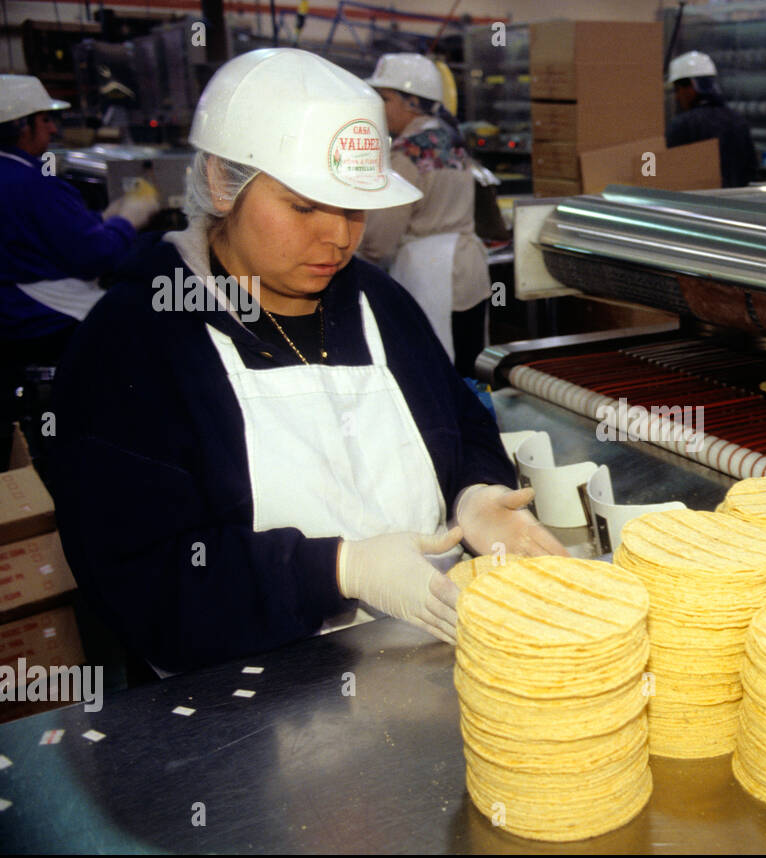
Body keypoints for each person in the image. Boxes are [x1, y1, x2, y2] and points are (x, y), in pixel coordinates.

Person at [49, 48, 564, 676]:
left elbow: (463, 424)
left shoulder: (381, 305)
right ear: (220, 182)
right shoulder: (133, 344)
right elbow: (146, 583)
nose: (339, 237)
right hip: (254, 715)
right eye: (304, 207)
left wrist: (477, 493)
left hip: (434, 662)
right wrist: (338, 569)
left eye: (353, 207)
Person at [0, 74, 159, 460]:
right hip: (39, 318)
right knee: (151, 316)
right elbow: (96, 256)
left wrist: (100, 220)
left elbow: (58, 238)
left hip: (11, 317)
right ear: (23, 125)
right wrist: (129, 219)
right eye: (45, 119)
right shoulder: (32, 183)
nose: (53, 128)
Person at [358, 53, 491, 377]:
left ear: (412, 102)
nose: (379, 106)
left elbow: (381, 235)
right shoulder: (454, 141)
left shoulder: (407, 153)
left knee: (434, 371)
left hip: (429, 274)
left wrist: (361, 254)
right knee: (470, 368)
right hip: (470, 272)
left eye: (385, 98)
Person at [665, 51, 758, 189]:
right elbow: (751, 170)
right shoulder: (738, 121)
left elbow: (667, 175)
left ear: (691, 86)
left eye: (678, 90)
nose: (678, 97)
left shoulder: (682, 126)